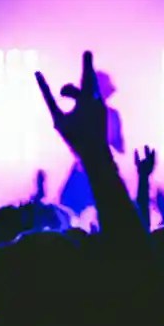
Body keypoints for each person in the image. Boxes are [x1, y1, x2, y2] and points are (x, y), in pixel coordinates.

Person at [57, 70, 124, 216]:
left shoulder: (111, 114)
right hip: (91, 169)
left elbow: (120, 147)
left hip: (96, 167)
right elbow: (120, 147)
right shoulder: (110, 114)